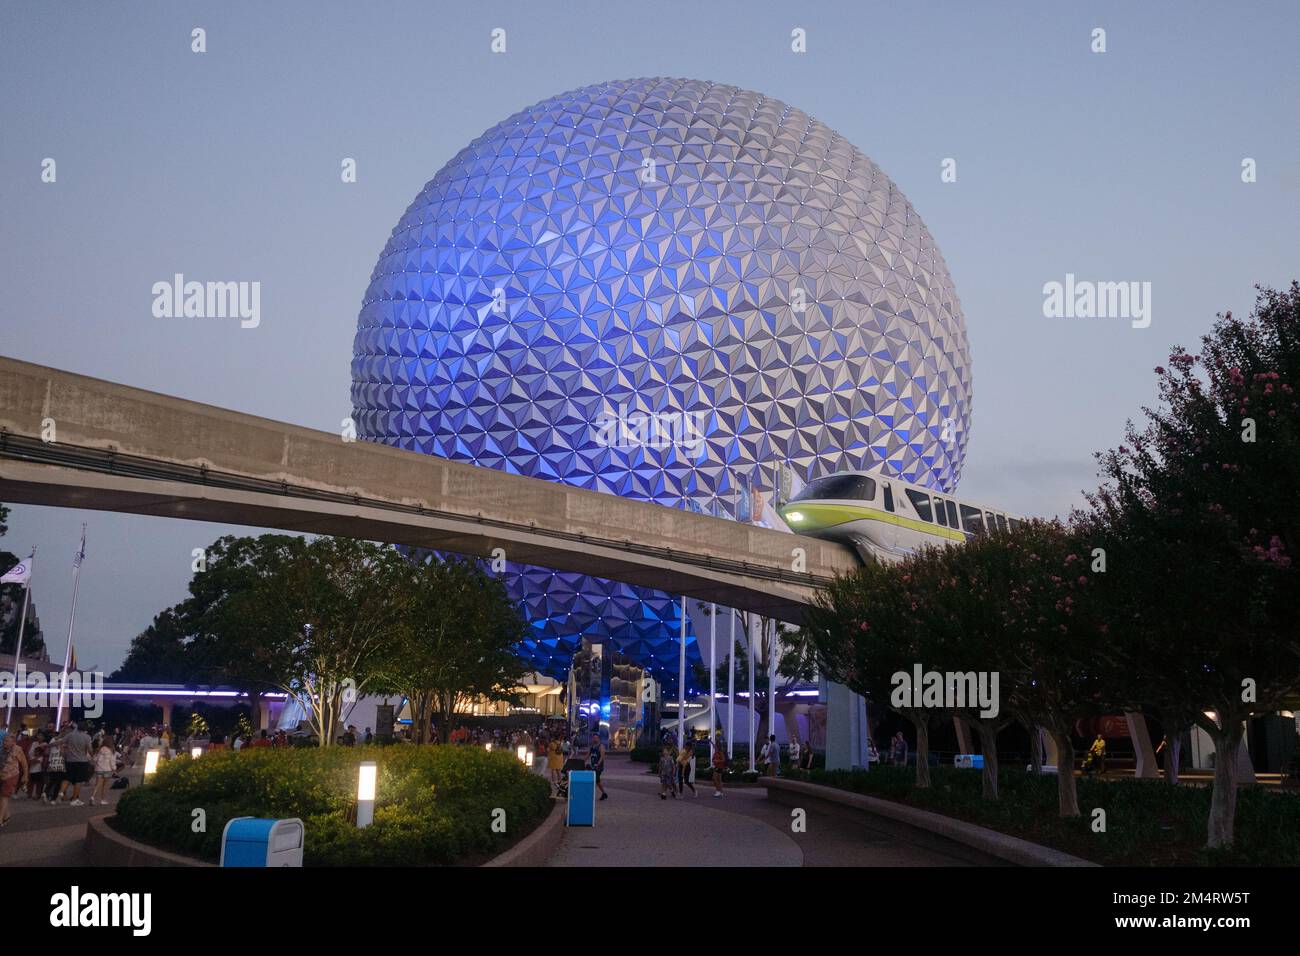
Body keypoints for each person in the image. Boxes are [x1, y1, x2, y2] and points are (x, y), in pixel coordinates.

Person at [60, 721, 93, 805]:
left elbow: (62, 742)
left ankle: (61, 792)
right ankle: (74, 799)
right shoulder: (87, 737)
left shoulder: (70, 735)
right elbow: (89, 749)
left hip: (70, 761)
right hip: (81, 761)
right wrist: (93, 755)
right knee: (78, 781)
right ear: (85, 728)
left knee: (67, 778)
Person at [0, 733, 29, 826]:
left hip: (11, 776)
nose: (4, 742)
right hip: (1, 775)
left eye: (7, 741)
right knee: (1, 798)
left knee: (4, 797)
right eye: (4, 740)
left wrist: (25, 775)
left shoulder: (17, 750)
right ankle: (6, 815)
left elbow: (24, 764)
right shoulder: (1, 749)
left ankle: (0, 820)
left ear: (13, 742)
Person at [89, 735, 116, 806]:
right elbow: (112, 761)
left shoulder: (99, 749)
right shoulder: (111, 750)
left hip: (99, 769)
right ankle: (102, 800)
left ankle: (92, 796)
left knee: (97, 784)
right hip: (107, 769)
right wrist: (114, 768)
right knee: (105, 785)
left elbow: (95, 759)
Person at [588, 734, 608, 801]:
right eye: (594, 738)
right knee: (597, 780)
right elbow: (588, 755)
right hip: (593, 765)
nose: (595, 739)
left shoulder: (601, 746)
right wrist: (582, 761)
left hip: (598, 767)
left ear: (599, 739)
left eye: (596, 738)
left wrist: (598, 764)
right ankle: (604, 793)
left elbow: (602, 757)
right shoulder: (592, 746)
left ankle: (589, 795)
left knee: (594, 780)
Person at [710, 732, 727, 797]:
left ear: (718, 746)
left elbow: (723, 760)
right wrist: (711, 741)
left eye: (716, 746)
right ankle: (721, 791)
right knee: (719, 779)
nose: (715, 747)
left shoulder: (720, 752)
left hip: (719, 767)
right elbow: (713, 745)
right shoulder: (717, 751)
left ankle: (718, 791)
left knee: (714, 778)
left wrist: (717, 760)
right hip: (718, 766)